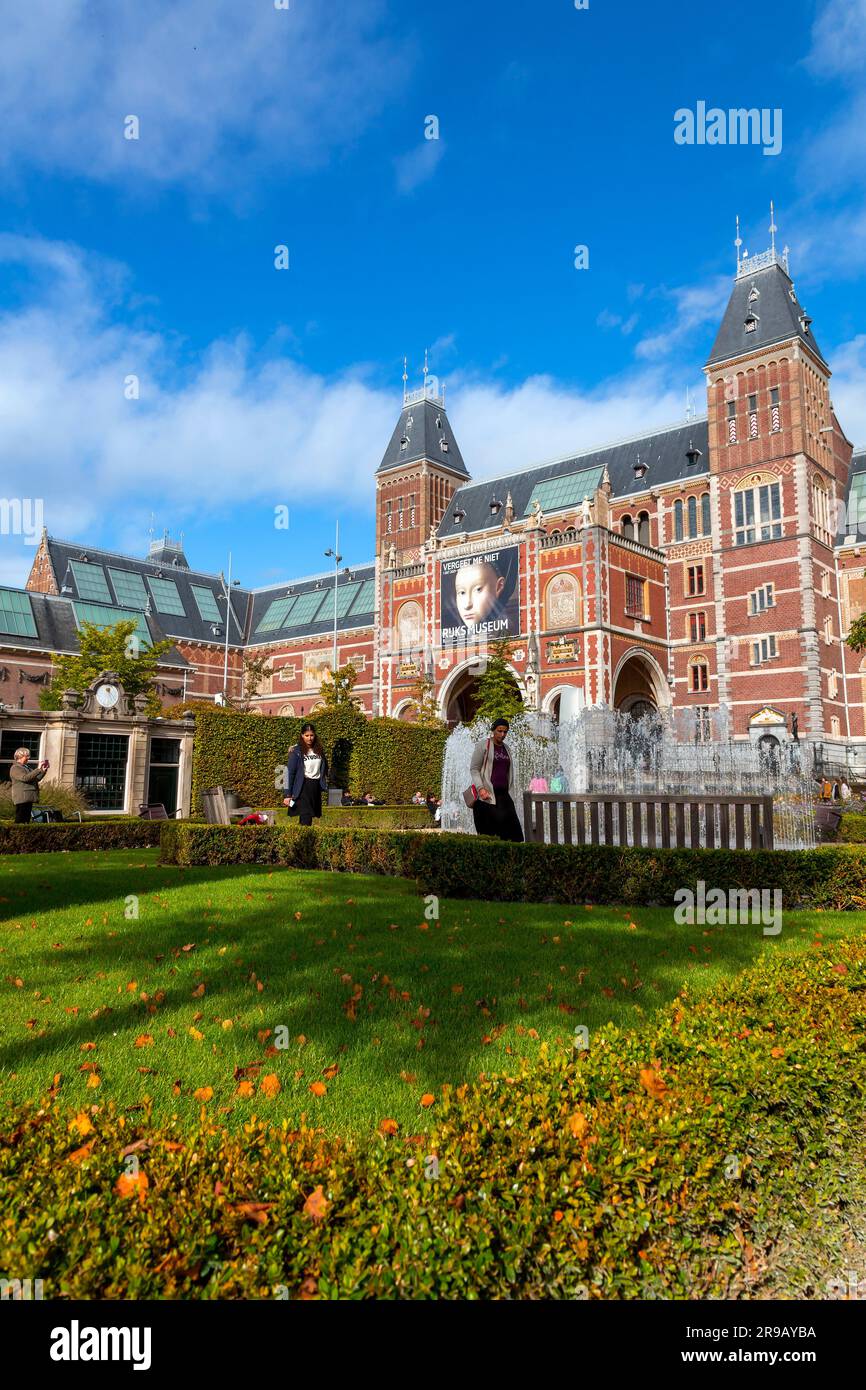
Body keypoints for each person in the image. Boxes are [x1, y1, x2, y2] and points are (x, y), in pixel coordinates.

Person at [469, 718, 523, 842]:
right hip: (487, 797)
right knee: (489, 837)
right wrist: (480, 788)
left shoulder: (507, 748)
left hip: (504, 796)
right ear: (493, 730)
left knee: (514, 836)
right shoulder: (483, 745)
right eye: (499, 731)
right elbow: (474, 769)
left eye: (505, 732)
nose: (502, 735)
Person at [283, 723, 328, 826]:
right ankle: (305, 839)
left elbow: (324, 767)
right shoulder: (297, 751)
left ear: (315, 735)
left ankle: (298, 837)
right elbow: (288, 773)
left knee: (308, 817)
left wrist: (323, 782)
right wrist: (287, 794)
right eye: (307, 735)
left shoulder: (319, 750)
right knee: (306, 815)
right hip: (303, 786)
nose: (309, 738)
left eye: (311, 735)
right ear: (302, 735)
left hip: (315, 786)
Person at [9, 748, 50, 824]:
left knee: (26, 820)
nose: (28, 758)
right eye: (26, 756)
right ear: (20, 756)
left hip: (28, 797)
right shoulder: (15, 768)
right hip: (22, 797)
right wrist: (38, 769)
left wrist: (43, 771)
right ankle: (17, 834)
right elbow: (25, 778)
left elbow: (36, 779)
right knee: (20, 820)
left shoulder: (26, 767)